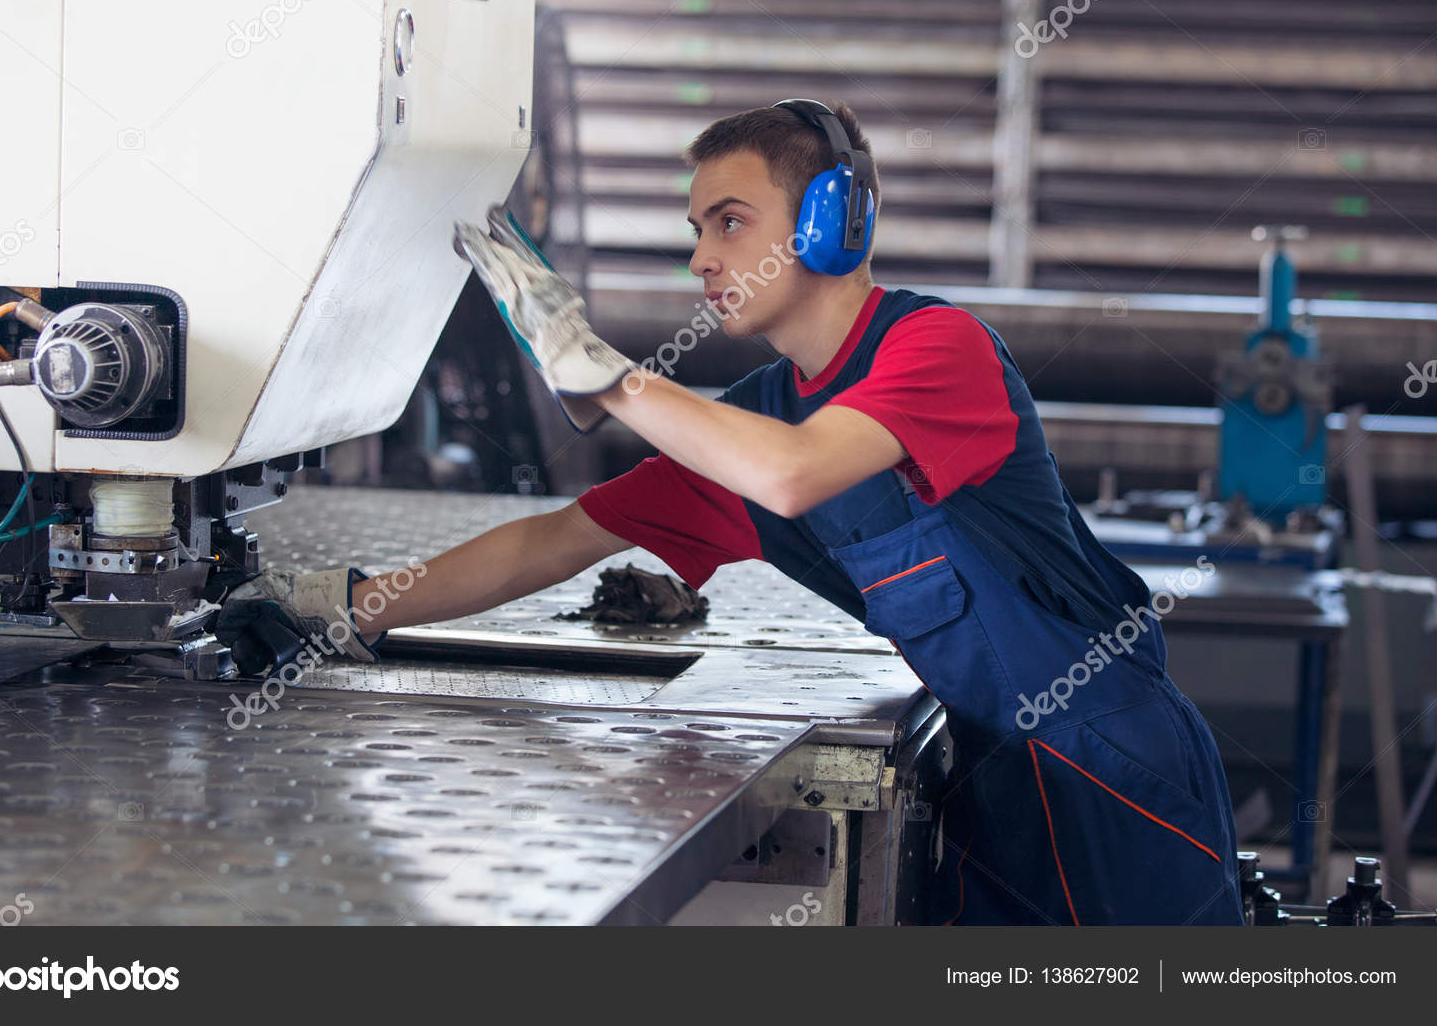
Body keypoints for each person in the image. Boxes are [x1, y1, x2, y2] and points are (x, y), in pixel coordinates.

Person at [236, 99, 1244, 926]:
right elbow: (551, 541)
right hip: (1002, 779)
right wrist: (345, 605)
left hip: (1112, 771)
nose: (701, 261)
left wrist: (610, 378)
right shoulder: (754, 419)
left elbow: (800, 476)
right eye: (695, 231)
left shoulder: (937, 351)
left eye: (729, 223)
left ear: (829, 223)